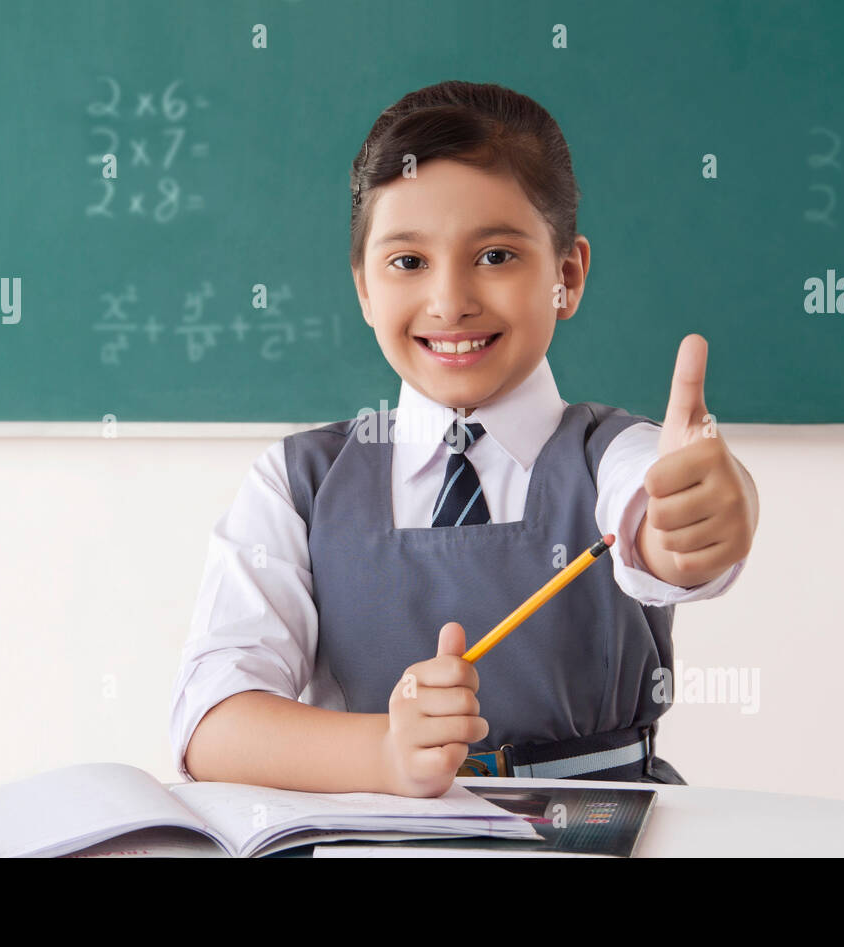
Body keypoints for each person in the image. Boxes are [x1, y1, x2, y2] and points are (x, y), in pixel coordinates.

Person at [169, 80, 759, 798]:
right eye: (408, 262)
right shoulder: (298, 484)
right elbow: (212, 723)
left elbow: (658, 510)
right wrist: (384, 753)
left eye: (496, 256)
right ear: (362, 286)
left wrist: (701, 521)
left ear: (566, 276)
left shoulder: (618, 454)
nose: (450, 302)